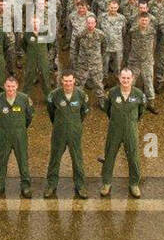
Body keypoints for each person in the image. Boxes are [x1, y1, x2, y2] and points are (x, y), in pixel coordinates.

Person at [101, 68, 146, 198]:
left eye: (128, 78)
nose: (125, 80)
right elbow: (107, 109)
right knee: (109, 156)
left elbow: (142, 111)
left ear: (132, 79)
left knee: (133, 157)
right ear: (119, 78)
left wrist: (131, 122)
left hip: (130, 130)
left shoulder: (138, 94)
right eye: (123, 78)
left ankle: (134, 184)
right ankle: (106, 183)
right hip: (114, 129)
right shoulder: (112, 93)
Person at [45, 72, 90, 199]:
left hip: (74, 133)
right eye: (65, 81)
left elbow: (84, 112)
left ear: (74, 81)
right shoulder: (54, 95)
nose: (68, 84)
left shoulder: (81, 95)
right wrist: (59, 123)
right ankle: (51, 185)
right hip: (58, 132)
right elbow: (51, 111)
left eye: (70, 81)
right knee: (55, 159)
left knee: (77, 159)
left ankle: (80, 186)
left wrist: (74, 124)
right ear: (61, 81)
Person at [0, 75, 33, 198]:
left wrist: (21, 128)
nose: (10, 89)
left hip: (20, 135)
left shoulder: (24, 99)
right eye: (8, 86)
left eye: (13, 86)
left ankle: (26, 186)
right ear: (4, 86)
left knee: (23, 161)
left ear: (17, 86)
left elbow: (29, 116)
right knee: (0, 160)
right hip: (3, 134)